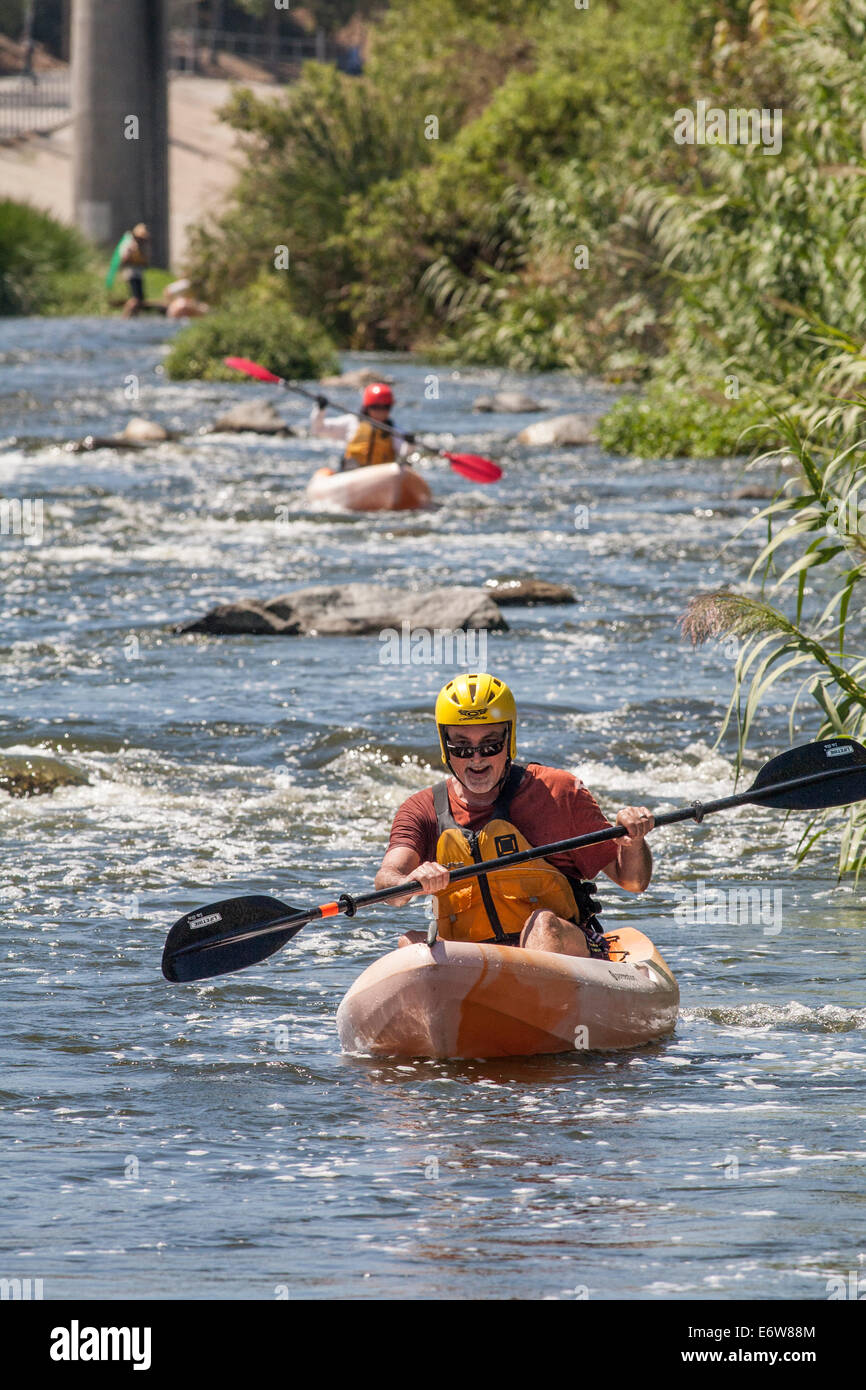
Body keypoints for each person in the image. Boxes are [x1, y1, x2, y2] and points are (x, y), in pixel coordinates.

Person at [375, 673, 654, 959]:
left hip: (568, 950)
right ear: (445, 746)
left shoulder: (557, 791)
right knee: (410, 946)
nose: (476, 758)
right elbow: (387, 880)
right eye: (462, 747)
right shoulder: (422, 809)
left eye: (490, 744)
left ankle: (542, 997)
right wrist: (409, 882)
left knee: (542, 925)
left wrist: (633, 840)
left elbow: (633, 881)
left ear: (509, 740)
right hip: (475, 961)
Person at [309, 383, 414, 471]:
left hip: (380, 476)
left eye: (385, 407)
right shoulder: (351, 422)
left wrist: (410, 444)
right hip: (352, 474)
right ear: (367, 407)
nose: (380, 412)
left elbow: (404, 453)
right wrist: (320, 409)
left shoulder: (394, 431)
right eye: (375, 407)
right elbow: (318, 429)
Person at [118, 223, 151, 319]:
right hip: (131, 273)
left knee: (140, 298)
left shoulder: (143, 247)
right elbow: (123, 259)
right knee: (135, 298)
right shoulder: (129, 245)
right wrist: (131, 251)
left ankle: (135, 316)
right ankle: (125, 316)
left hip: (139, 273)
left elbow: (145, 262)